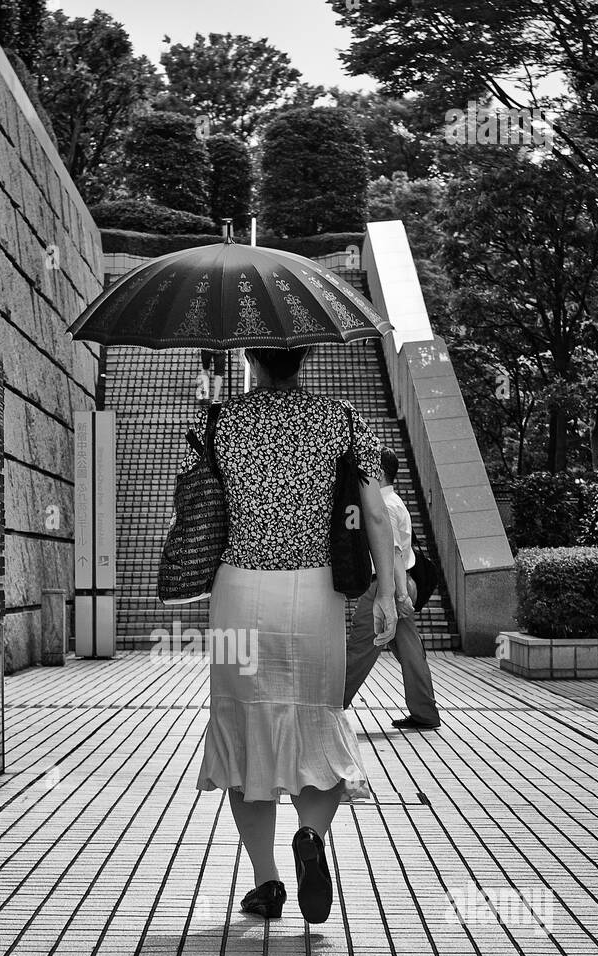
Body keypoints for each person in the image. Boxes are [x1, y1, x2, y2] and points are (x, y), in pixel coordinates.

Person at [181, 346, 396, 924]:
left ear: (251, 357)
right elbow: (375, 514)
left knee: (244, 727)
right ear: (304, 356)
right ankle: (310, 835)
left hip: (240, 590)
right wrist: (391, 593)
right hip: (316, 591)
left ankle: (267, 881)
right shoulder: (343, 417)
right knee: (315, 719)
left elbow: (204, 508)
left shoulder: (220, 419)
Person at [343, 446, 441, 729]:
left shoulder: (383, 505)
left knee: (361, 646)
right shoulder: (396, 501)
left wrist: (396, 594)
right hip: (403, 583)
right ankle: (425, 712)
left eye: (368, 469)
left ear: (379, 473)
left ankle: (332, 705)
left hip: (385, 587)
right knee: (411, 650)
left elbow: (393, 552)